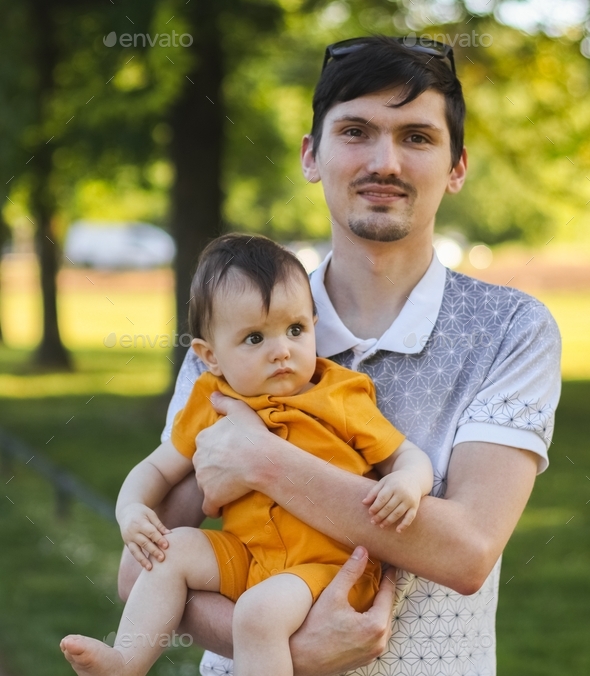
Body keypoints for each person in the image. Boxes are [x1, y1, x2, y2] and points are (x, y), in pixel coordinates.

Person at [118, 34, 562, 676]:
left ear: (457, 166)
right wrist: (294, 654)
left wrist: (265, 463)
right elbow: (144, 566)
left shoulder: (510, 328)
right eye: (355, 131)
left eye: (416, 137)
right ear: (311, 155)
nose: (385, 161)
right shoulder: (236, 322)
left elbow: (465, 551)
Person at [60, 233, 433, 676]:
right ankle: (127, 660)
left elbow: (406, 455)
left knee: (257, 613)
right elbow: (158, 467)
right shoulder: (211, 400)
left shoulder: (340, 394)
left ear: (315, 325)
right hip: (250, 555)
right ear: (210, 355)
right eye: (254, 338)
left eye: (296, 330)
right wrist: (130, 510)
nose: (281, 350)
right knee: (173, 550)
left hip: (327, 565)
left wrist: (408, 481)